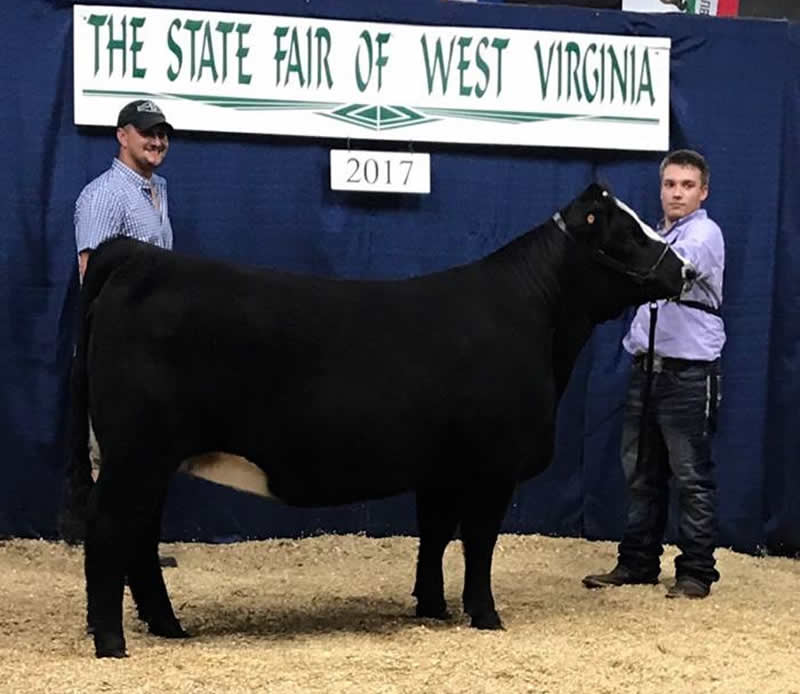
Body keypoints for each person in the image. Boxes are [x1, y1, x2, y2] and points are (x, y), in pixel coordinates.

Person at [583, 149, 725, 599]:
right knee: (641, 473)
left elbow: (661, 269)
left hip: (688, 373)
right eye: (669, 184)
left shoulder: (703, 234)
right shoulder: (660, 232)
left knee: (690, 476)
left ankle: (697, 572)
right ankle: (639, 562)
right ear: (661, 189)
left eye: (687, 185)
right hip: (646, 369)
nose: (676, 193)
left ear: (703, 192)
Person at [75, 99, 173, 280]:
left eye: (162, 134)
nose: (157, 142)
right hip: (121, 308)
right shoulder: (104, 194)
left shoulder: (159, 187)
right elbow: (92, 278)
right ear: (122, 137)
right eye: (147, 133)